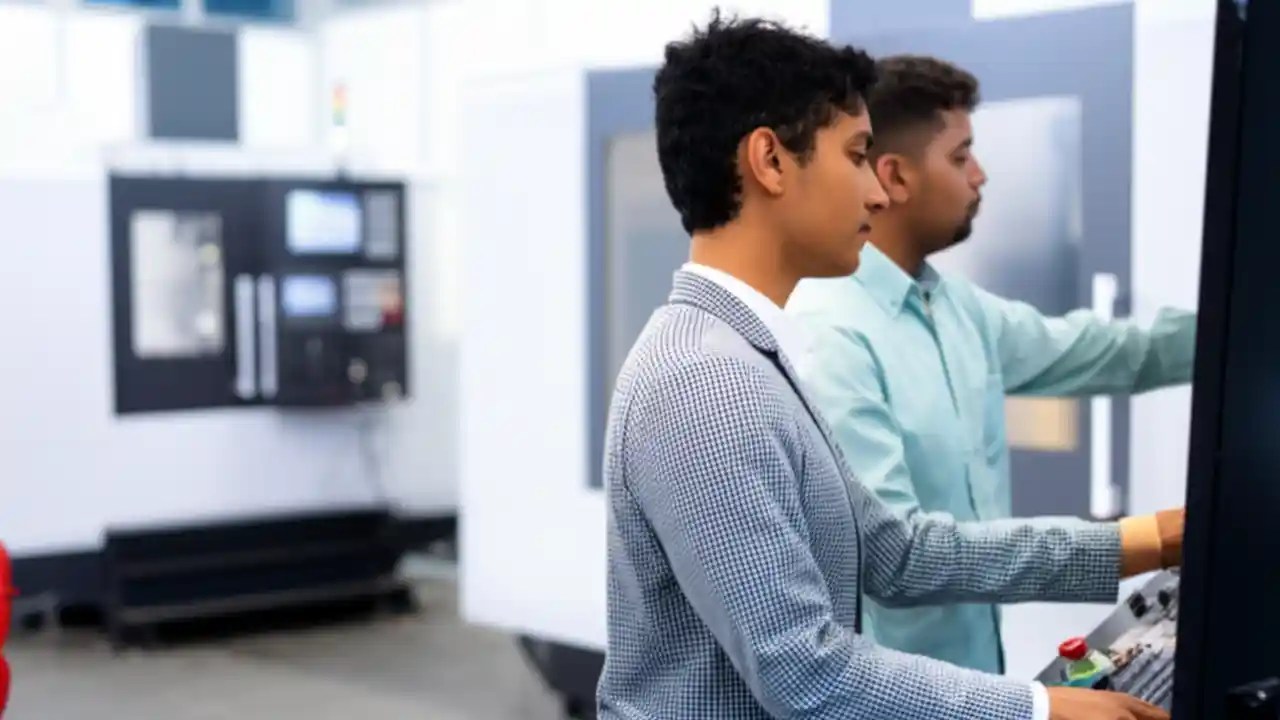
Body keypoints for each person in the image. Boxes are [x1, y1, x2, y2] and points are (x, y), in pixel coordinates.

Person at [597, 14, 1180, 720]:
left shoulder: (751, 353)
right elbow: (804, 673)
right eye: (854, 156)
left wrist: (1147, 540)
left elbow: (895, 553)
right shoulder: (705, 383)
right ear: (770, 161)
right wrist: (1039, 711)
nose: (876, 194)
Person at [786, 55, 1197, 675]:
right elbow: (903, 558)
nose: (980, 176)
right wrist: (1146, 539)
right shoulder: (832, 334)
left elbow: (1115, 352)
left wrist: (1247, 327)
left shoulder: (955, 309)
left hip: (982, 684)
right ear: (894, 178)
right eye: (960, 156)